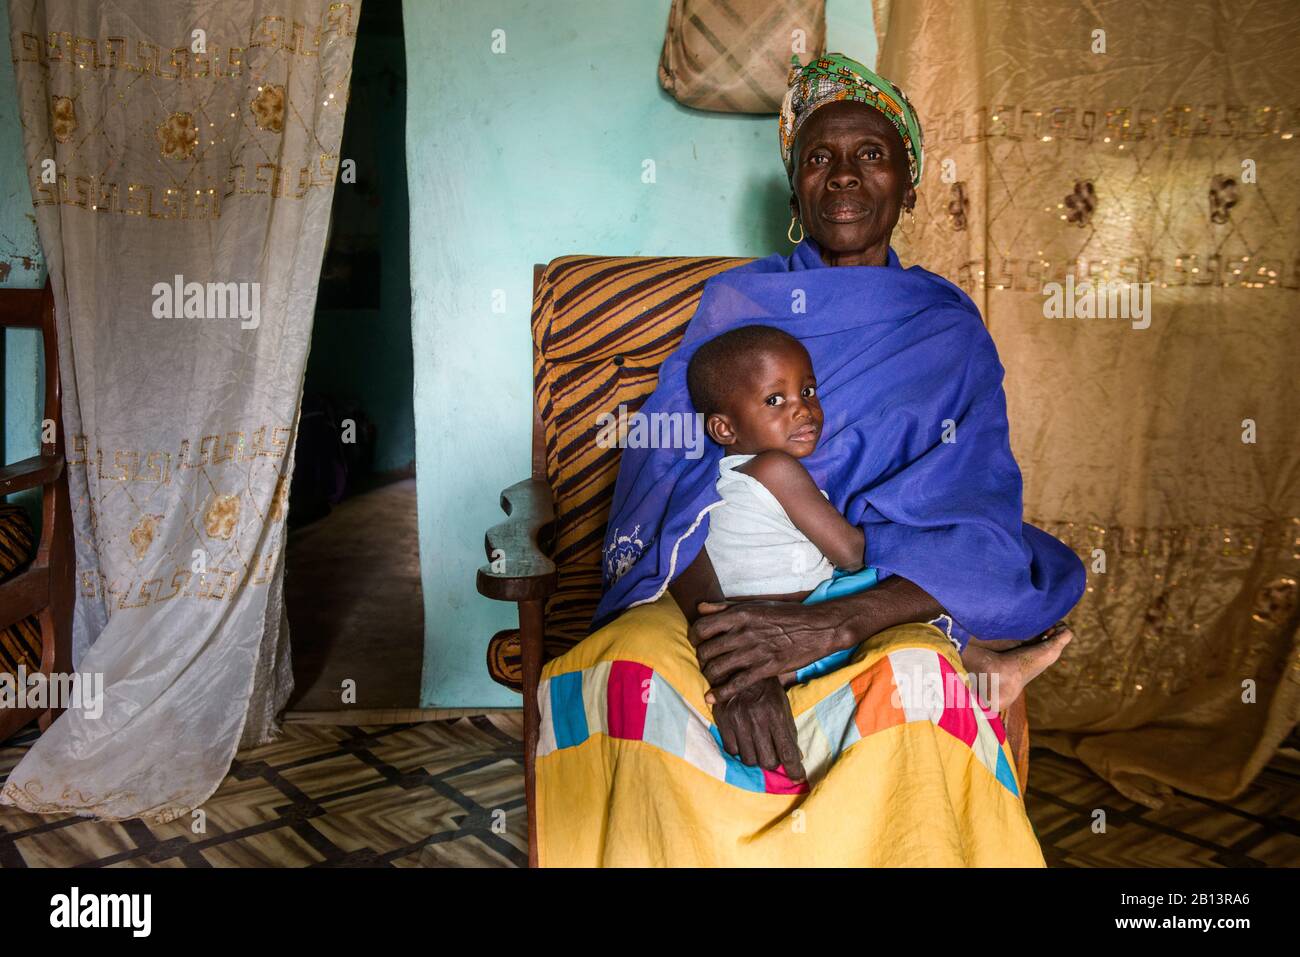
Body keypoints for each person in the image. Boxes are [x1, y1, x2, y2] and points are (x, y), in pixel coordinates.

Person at [534, 53, 1084, 867]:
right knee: (629, 672)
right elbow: (669, 478)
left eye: (871, 155)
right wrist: (736, 657)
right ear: (794, 194)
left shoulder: (948, 329)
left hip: (874, 593)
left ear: (907, 183)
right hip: (719, 587)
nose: (845, 177)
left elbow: (973, 510)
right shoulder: (738, 310)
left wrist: (826, 622)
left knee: (921, 685)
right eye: (819, 159)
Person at [688, 322, 1071, 710]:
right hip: (796, 619)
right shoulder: (774, 468)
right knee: (924, 580)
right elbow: (851, 553)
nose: (802, 409)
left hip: (754, 628)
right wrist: (901, 539)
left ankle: (989, 663)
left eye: (807, 391)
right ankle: (995, 664)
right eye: (775, 400)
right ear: (723, 427)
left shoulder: (719, 482)